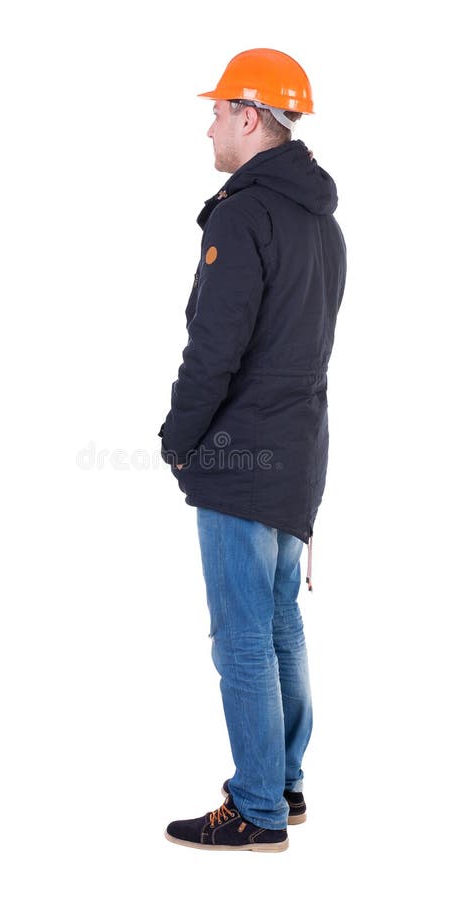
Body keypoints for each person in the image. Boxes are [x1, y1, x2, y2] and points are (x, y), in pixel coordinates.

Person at [157, 48, 347, 852]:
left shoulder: (243, 214)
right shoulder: (321, 219)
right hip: (298, 450)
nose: (208, 128)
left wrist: (178, 438)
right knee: (278, 623)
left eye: (216, 113)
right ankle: (285, 785)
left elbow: (215, 349)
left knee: (241, 635)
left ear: (250, 115)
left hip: (239, 456)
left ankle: (258, 808)